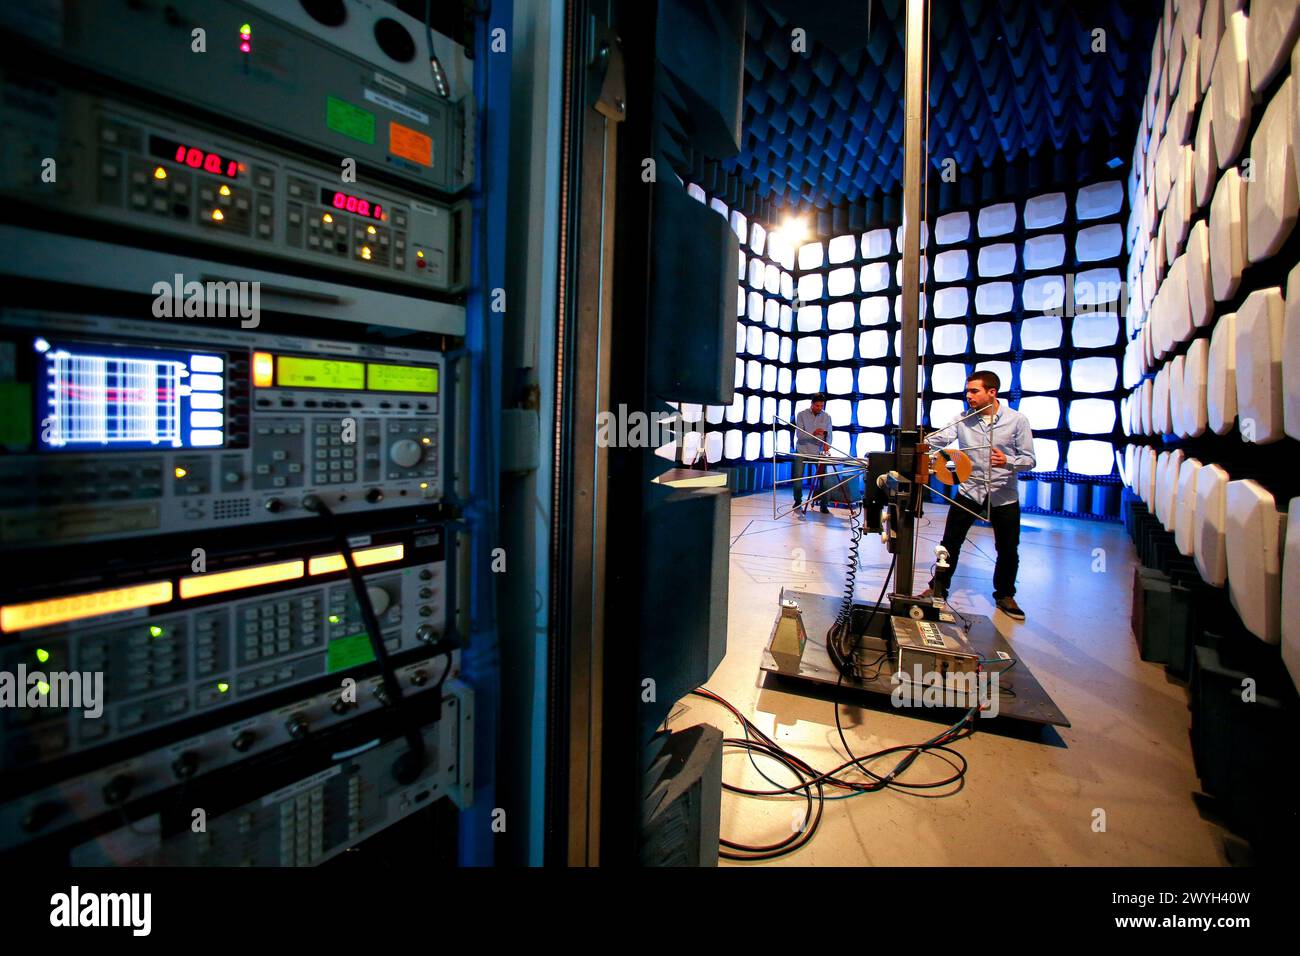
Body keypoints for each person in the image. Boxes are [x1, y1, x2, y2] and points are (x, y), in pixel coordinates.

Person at [919, 370, 1035, 620]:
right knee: (949, 543)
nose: (968, 395)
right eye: (967, 391)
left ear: (992, 392)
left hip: (1004, 495)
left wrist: (1009, 461)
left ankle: (1005, 594)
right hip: (969, 491)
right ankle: (937, 588)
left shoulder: (1017, 421)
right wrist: (916, 443)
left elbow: (1030, 460)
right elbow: (935, 441)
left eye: (974, 391)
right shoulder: (962, 420)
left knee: (1007, 548)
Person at [792, 393, 834, 515]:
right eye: (817, 405)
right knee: (798, 478)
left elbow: (829, 434)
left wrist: (827, 444)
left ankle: (824, 505)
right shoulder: (801, 415)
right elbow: (799, 435)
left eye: (822, 406)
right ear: (812, 404)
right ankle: (797, 501)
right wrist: (813, 433)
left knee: (824, 480)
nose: (819, 408)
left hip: (818, 452)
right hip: (802, 450)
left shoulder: (827, 417)